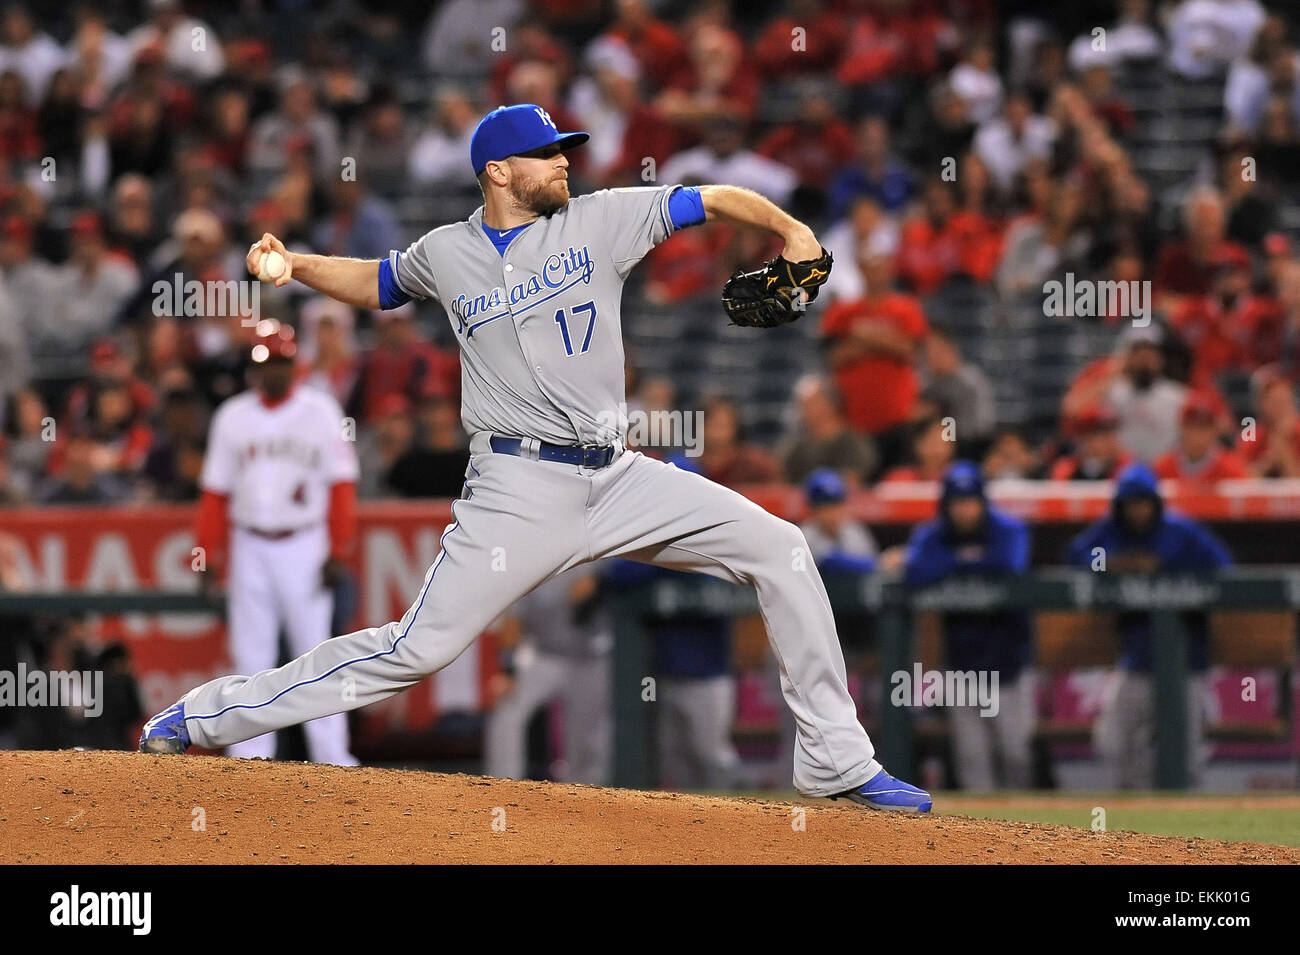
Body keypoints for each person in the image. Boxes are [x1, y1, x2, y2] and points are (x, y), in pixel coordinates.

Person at [141, 103, 930, 812]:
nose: (564, 162)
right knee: (416, 650)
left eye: (564, 150)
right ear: (498, 170)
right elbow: (380, 281)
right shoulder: (447, 252)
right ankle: (203, 715)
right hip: (516, 489)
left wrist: (789, 230)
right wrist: (297, 266)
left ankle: (835, 758)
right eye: (548, 153)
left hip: (619, 475)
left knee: (783, 549)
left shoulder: (600, 219)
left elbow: (710, 198)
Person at [190, 322, 360, 766]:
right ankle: (249, 759)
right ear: (254, 369)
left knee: (315, 655)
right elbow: (215, 495)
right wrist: (207, 553)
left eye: (282, 362)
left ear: (296, 364)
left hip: (305, 544)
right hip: (249, 545)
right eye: (266, 363)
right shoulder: (232, 416)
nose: (274, 371)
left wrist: (338, 549)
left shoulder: (321, 411)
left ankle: (332, 757)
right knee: (251, 658)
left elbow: (342, 487)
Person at [1066, 462, 1232, 788]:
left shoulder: (1180, 532)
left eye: (1142, 502)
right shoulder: (1112, 533)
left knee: (1187, 752)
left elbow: (1222, 567)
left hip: (1187, 660)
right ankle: (1140, 808)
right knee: (1112, 741)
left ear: (1155, 502)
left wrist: (1168, 568)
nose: (1137, 510)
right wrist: (1117, 563)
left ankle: (1184, 817)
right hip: (1138, 660)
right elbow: (1078, 556)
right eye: (1130, 503)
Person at [903, 462, 1035, 791]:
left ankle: (1028, 835)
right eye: (957, 502)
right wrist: (969, 561)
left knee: (1016, 755)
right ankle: (982, 839)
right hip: (961, 666)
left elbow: (1009, 565)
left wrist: (951, 564)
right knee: (972, 761)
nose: (964, 509)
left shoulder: (1008, 529)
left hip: (1010, 664)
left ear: (983, 501)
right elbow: (915, 571)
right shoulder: (933, 534)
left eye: (971, 501)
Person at [484, 564, 611, 785]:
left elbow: (628, 569)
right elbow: (512, 621)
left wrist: (599, 583)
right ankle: (502, 785)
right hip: (544, 656)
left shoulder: (598, 554)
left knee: (589, 737)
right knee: (507, 706)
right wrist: (507, 672)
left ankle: (586, 797)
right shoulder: (534, 561)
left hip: (590, 657)